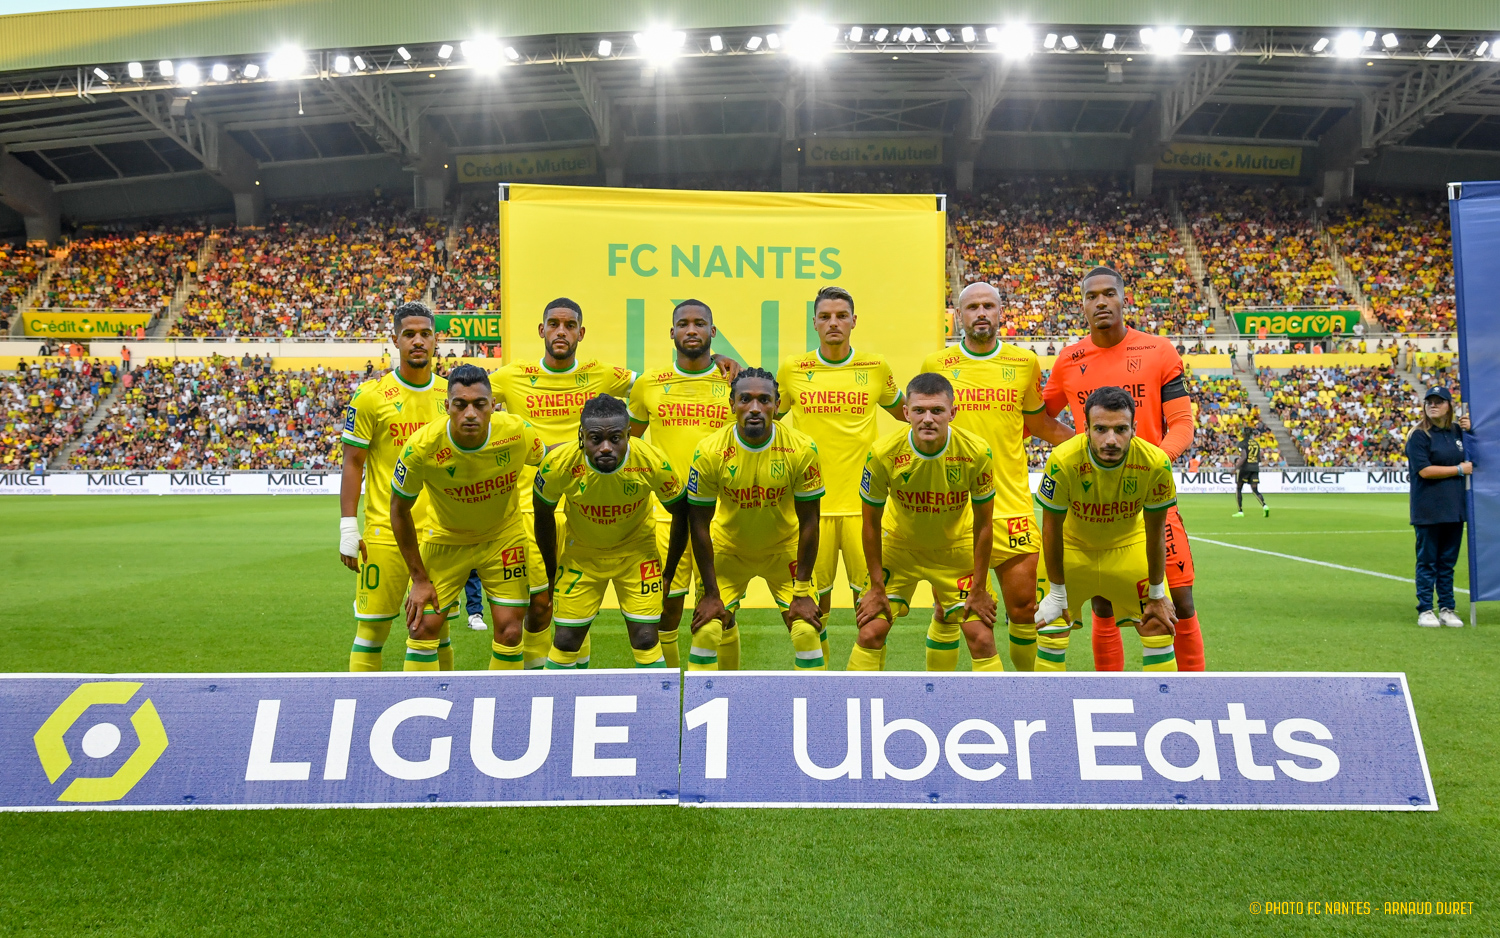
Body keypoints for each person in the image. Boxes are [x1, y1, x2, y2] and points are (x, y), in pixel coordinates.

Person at [1043, 266, 1207, 671]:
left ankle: (1194, 697)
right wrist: (1083, 451)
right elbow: (1040, 419)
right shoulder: (1069, 359)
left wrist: (1151, 464)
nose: (1101, 302)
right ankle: (1110, 698)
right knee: (1103, 603)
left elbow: (1183, 423)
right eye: (1091, 296)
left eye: (1109, 294)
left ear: (1123, 298)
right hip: (1094, 503)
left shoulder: (1159, 351)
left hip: (1149, 496)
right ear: (1081, 305)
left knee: (1180, 599)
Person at [925, 282, 1075, 671]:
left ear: (1000, 313)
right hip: (954, 510)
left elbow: (1037, 422)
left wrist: (1083, 445)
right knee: (952, 613)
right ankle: (937, 696)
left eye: (988, 306)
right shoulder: (937, 365)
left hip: (1011, 505)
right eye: (972, 306)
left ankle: (1024, 698)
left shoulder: (1023, 363)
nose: (980, 313)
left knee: (1025, 611)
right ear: (958, 316)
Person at [491, 298, 635, 670]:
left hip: (584, 510)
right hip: (530, 507)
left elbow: (653, 384)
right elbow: (462, 397)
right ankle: (537, 684)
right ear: (541, 330)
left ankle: (570, 688)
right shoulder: (511, 377)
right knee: (539, 605)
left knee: (576, 610)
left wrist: (718, 364)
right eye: (553, 324)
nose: (560, 331)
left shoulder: (600, 373)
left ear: (580, 333)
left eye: (569, 325)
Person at [390, 364, 545, 669]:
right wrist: (418, 579)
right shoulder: (422, 447)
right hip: (446, 539)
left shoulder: (518, 432)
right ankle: (425, 710)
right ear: (447, 406)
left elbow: (548, 463)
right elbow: (398, 508)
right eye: (460, 405)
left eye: (479, 404)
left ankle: (503, 711)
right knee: (421, 628)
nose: (470, 414)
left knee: (511, 631)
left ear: (493, 406)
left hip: (504, 538)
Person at [850, 373, 1002, 671]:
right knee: (870, 632)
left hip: (955, 552)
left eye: (937, 410)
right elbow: (870, 523)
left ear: (952, 412)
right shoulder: (883, 454)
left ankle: (984, 709)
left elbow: (985, 524)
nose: (928, 419)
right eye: (919, 410)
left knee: (982, 639)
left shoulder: (976, 452)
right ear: (906, 413)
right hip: (900, 549)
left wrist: (980, 588)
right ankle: (855, 710)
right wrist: (877, 587)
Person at [777, 286, 905, 623]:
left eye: (841, 316)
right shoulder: (792, 369)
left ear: (853, 322)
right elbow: (762, 418)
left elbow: (911, 414)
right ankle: (819, 677)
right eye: (825, 317)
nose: (834, 322)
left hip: (863, 508)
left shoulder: (875, 367)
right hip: (810, 507)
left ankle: (864, 677)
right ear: (814, 323)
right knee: (810, 614)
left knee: (875, 611)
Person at [684, 368, 826, 671]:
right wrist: (710, 594)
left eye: (764, 400)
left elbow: (810, 522)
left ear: (776, 405)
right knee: (707, 631)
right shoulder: (709, 451)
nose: (755, 408)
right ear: (732, 404)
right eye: (745, 399)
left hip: (783, 550)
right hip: (729, 549)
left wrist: (801, 591)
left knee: (806, 633)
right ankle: (716, 707)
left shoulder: (801, 448)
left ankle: (816, 716)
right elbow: (698, 524)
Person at [533, 394, 689, 668]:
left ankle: (657, 710)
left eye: (615, 438)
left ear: (629, 435)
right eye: (595, 439)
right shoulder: (558, 464)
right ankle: (559, 708)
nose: (605, 447)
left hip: (636, 555)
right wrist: (550, 570)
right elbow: (543, 514)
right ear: (582, 436)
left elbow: (682, 512)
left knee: (645, 637)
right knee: (566, 640)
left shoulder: (651, 461)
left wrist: (668, 573)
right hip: (581, 555)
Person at [1034, 386, 1180, 671]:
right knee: (1049, 631)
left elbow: (1156, 531)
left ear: (1134, 428)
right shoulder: (1063, 461)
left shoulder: (1155, 463)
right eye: (1100, 429)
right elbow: (1051, 530)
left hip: (1128, 547)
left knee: (1158, 627)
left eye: (1121, 429)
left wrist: (1157, 592)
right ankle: (1048, 713)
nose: (1111, 439)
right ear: (1086, 428)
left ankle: (1163, 713)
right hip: (1072, 550)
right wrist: (1057, 593)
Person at [338, 302, 449, 671]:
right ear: (395, 341)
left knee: (435, 631)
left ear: (437, 340)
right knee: (371, 633)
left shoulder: (453, 398)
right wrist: (348, 525)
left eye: (425, 334)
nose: (418, 341)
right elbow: (353, 462)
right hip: (386, 534)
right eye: (409, 334)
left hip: (441, 535)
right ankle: (360, 713)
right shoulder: (370, 397)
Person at [628, 299, 733, 667]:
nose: (692, 330)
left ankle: (724, 701)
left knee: (720, 616)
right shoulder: (649, 384)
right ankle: (670, 697)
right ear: (672, 333)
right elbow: (630, 443)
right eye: (684, 324)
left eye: (700, 324)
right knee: (664, 615)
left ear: (712, 333)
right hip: (664, 519)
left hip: (722, 519)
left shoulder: (732, 382)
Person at [1406, 387, 1471, 628]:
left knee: (1447, 563)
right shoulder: (1419, 435)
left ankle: (1447, 607)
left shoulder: (1457, 432)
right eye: (1429, 402)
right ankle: (1425, 609)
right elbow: (1424, 470)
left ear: (1448, 406)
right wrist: (1458, 470)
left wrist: (1471, 428)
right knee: (1427, 562)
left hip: (1455, 509)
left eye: (1439, 402)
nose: (1433, 405)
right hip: (1428, 509)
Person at [1232, 426, 1269, 518]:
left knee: (1239, 488)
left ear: (1244, 434)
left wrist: (1235, 468)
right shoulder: (1256, 443)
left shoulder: (1242, 444)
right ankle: (1265, 506)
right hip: (1255, 468)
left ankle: (1240, 511)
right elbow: (1259, 458)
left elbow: (1244, 457)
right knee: (1255, 489)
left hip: (1245, 468)